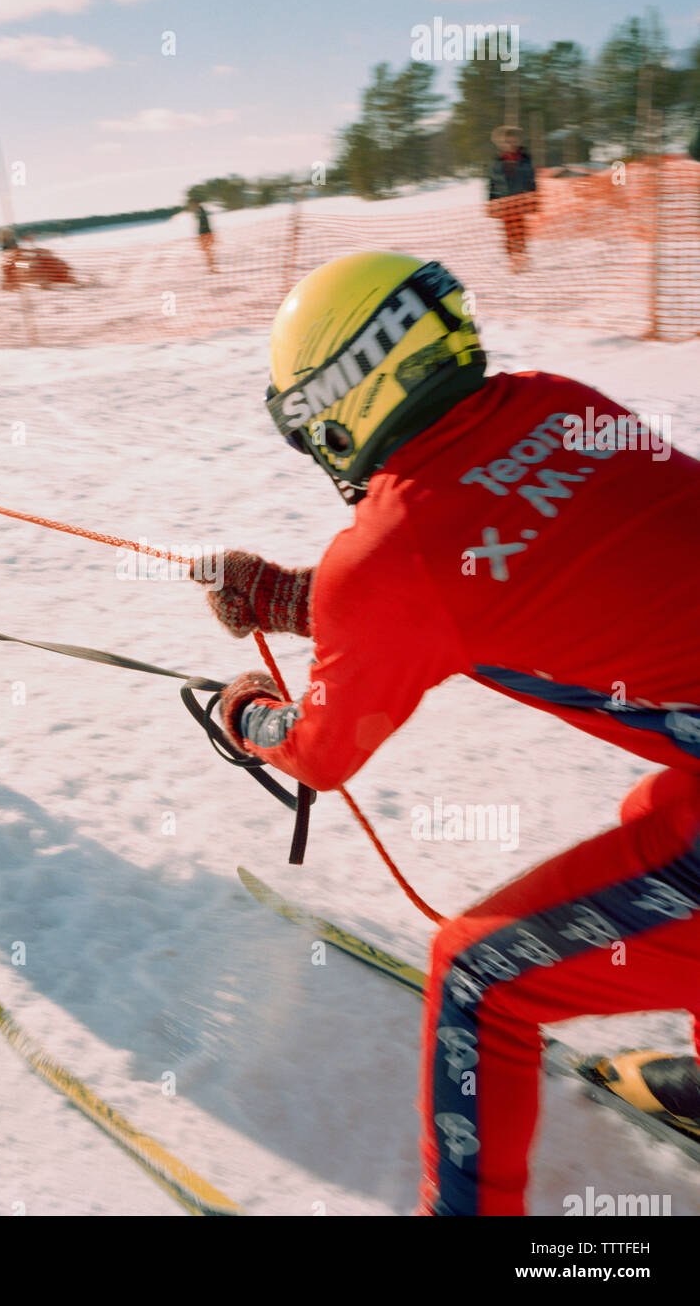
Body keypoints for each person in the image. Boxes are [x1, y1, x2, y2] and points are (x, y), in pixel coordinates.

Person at [193, 250, 700, 1216]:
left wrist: (245, 712)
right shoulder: (556, 400)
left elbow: (321, 751)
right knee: (662, 810)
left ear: (339, 405)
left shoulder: (388, 558)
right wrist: (313, 602)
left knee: (478, 979)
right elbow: (529, 566)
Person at [487, 126, 538, 268]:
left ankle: (521, 256)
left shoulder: (525, 159)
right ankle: (512, 258)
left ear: (518, 141)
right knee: (509, 231)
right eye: (507, 141)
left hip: (520, 201)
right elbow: (491, 182)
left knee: (520, 230)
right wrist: (491, 202)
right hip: (504, 202)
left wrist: (534, 199)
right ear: (501, 143)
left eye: (513, 141)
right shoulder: (497, 161)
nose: (510, 144)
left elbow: (531, 179)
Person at [191, 200, 216, 272]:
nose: (193, 206)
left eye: (194, 204)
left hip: (205, 234)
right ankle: (211, 267)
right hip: (205, 234)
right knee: (208, 252)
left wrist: (202, 235)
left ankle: (212, 268)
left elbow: (204, 224)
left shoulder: (201, 212)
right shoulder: (200, 212)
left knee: (208, 252)